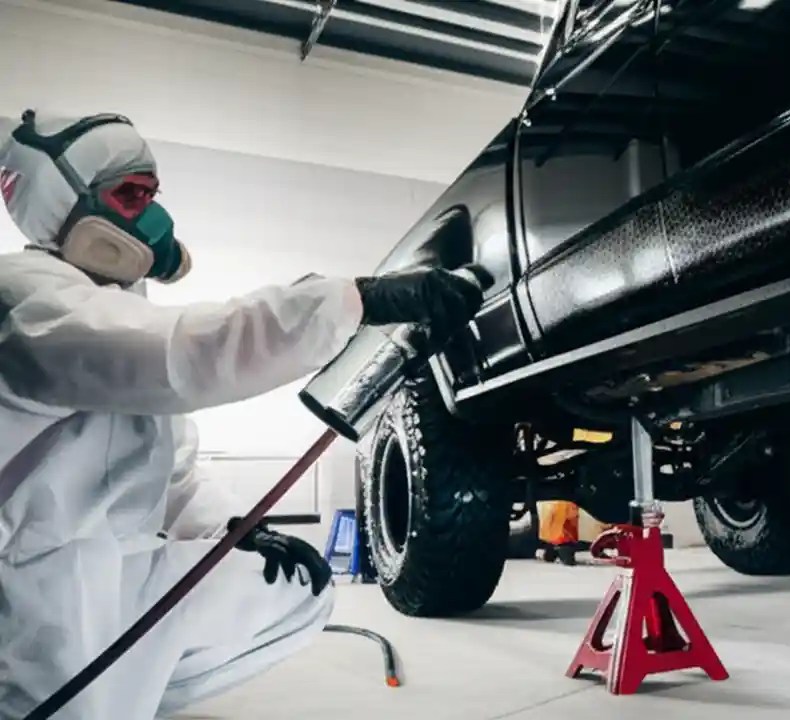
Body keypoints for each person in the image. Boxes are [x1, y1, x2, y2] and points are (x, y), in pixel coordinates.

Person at [0, 110, 487, 719]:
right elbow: (187, 353)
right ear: (61, 205)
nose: (153, 218)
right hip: (39, 580)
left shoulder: (117, 304)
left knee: (295, 593)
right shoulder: (23, 296)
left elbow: (173, 469)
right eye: (131, 196)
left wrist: (234, 527)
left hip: (125, 567)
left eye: (154, 195)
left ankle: (131, 693)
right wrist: (359, 299)